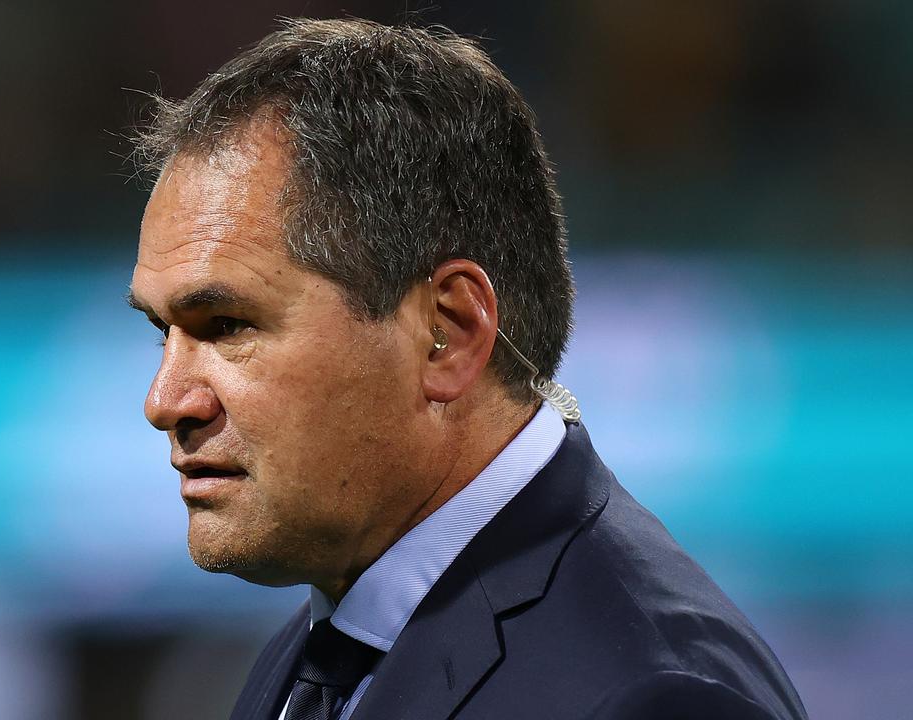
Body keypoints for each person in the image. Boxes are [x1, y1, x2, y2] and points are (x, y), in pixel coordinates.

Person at [126, 18, 808, 720]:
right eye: (162, 333)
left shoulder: (651, 694)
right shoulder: (313, 661)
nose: (165, 400)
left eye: (228, 326)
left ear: (446, 335)